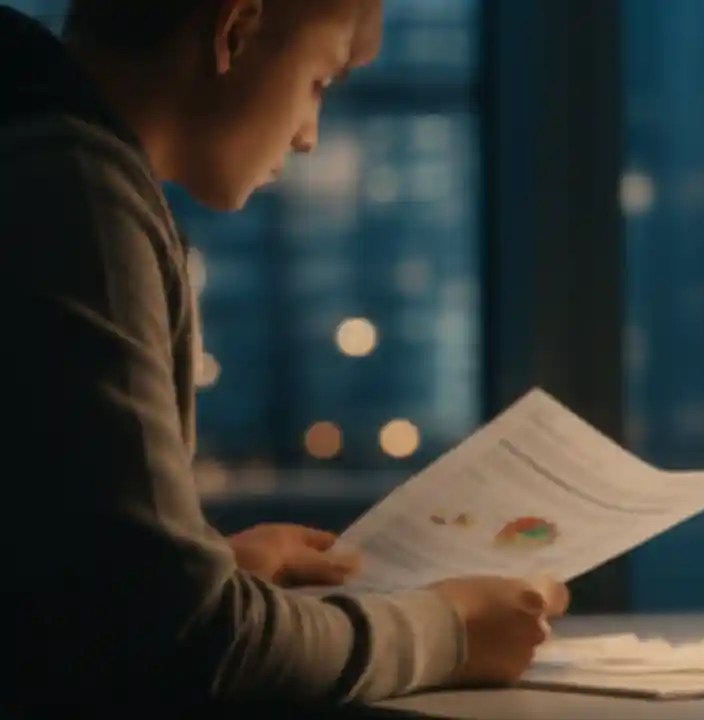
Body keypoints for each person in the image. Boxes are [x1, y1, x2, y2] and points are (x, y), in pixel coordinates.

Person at [0, 0, 569, 711]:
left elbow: (51, 596)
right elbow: (186, 642)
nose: (308, 138)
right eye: (320, 83)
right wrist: (446, 629)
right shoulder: (75, 198)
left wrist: (208, 568)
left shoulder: (34, 148)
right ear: (235, 32)